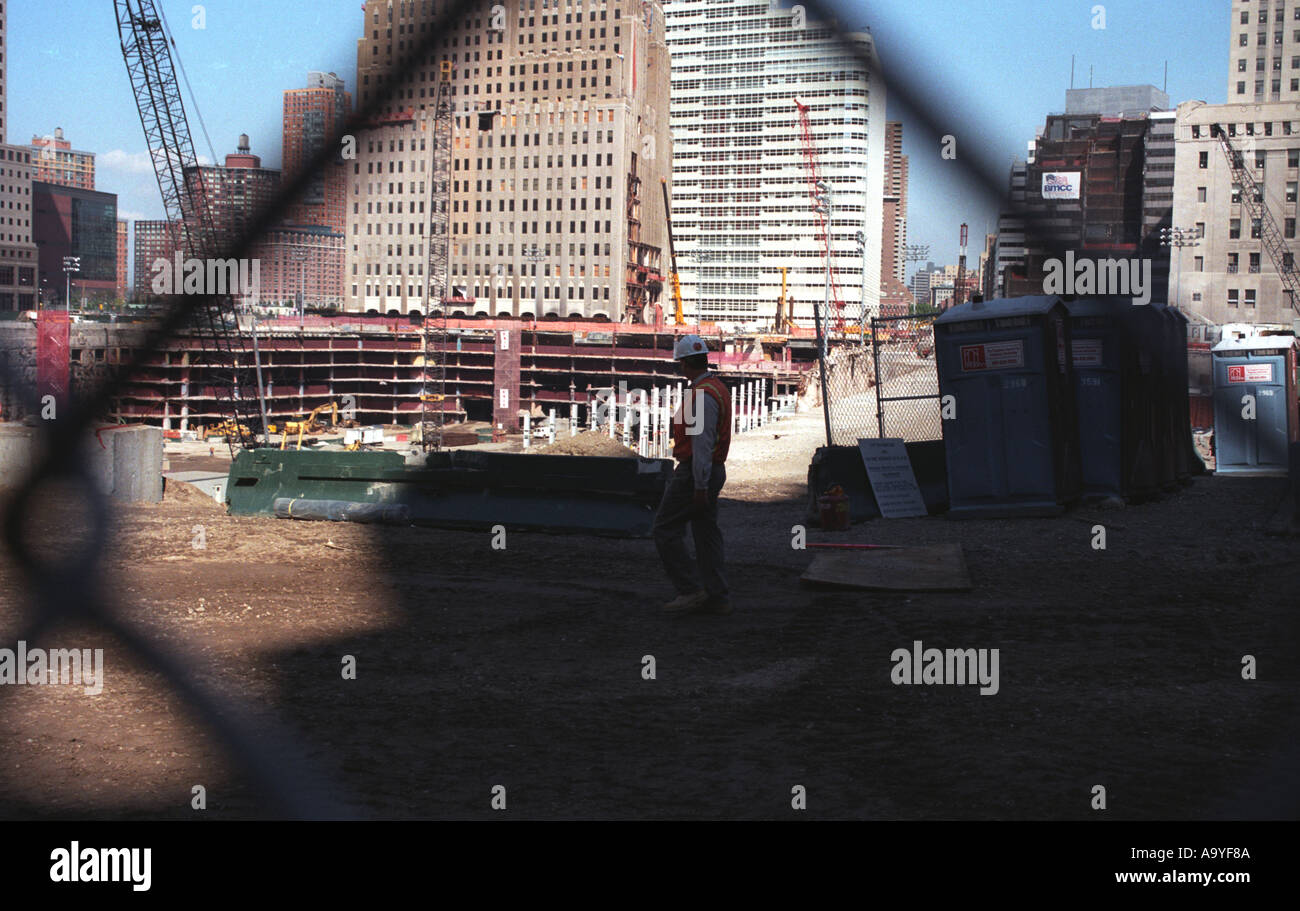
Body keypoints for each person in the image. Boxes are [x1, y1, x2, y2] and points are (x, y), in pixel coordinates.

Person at [653, 334, 732, 615]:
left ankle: (690, 590)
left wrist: (699, 486)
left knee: (664, 529)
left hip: (695, 474)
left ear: (685, 363)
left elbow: (701, 445)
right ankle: (716, 595)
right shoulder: (716, 388)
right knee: (705, 532)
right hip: (710, 471)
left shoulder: (702, 396)